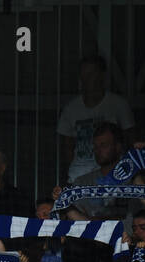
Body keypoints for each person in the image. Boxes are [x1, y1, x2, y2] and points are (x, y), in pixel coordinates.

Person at [57, 55, 136, 183]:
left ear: (102, 76)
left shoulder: (118, 105)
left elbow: (130, 141)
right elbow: (67, 149)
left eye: (91, 73)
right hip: (78, 177)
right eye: (83, 74)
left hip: (113, 176)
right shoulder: (70, 109)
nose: (86, 78)